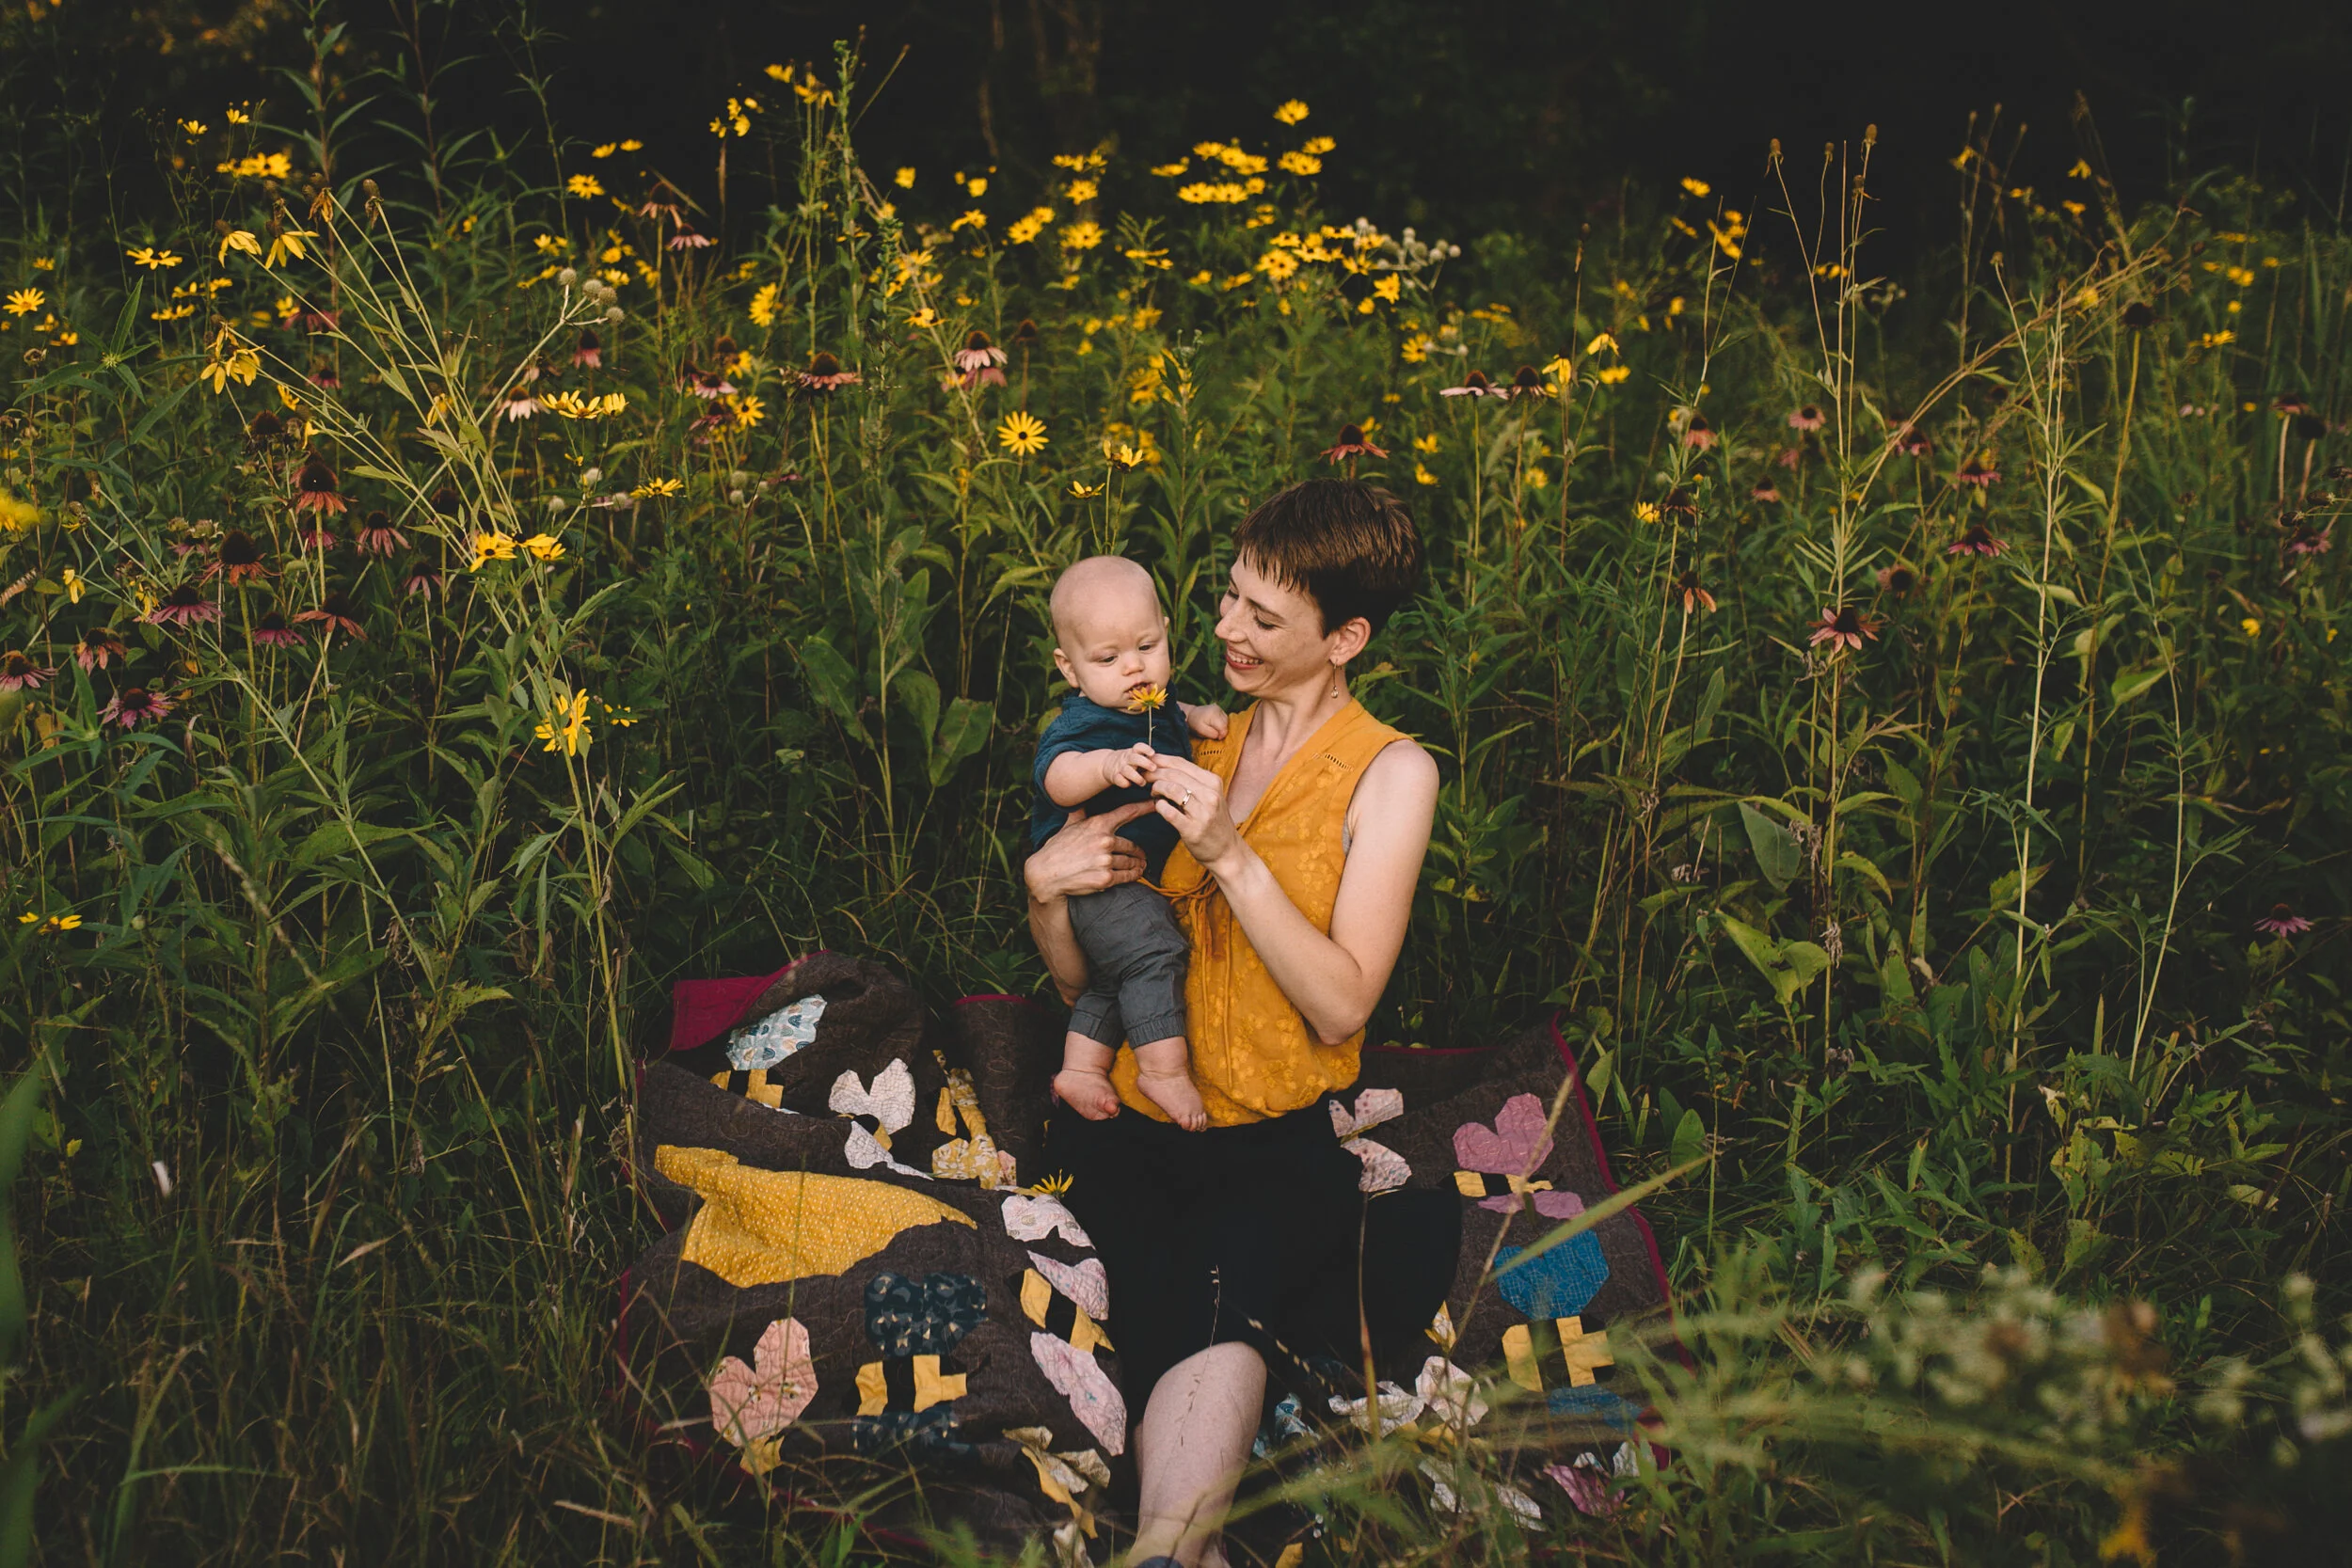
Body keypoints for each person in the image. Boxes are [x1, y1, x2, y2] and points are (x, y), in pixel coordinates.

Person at [1024, 480, 1453, 1568]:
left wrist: (1228, 851)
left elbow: (1344, 999)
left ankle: (1164, 1549)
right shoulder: (1178, 733)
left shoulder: (1392, 772)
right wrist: (1044, 892)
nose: (1223, 631)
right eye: (1225, 599)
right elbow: (1089, 961)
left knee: (1226, 1258)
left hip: (1267, 1128)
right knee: (1193, 1274)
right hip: (1128, 1112)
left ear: (1345, 635)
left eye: (1263, 618)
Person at [1030, 555, 1227, 1132]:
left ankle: (1081, 1068)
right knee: (1155, 953)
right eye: (1109, 658)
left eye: (1147, 646)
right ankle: (1162, 1071)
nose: (1135, 670)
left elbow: (1167, 708)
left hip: (1132, 875)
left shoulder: (1152, 702)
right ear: (1070, 668)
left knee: (1117, 976)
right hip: (1093, 875)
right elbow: (1056, 776)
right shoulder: (1081, 724)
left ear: (1166, 631)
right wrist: (1107, 765)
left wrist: (1195, 714)